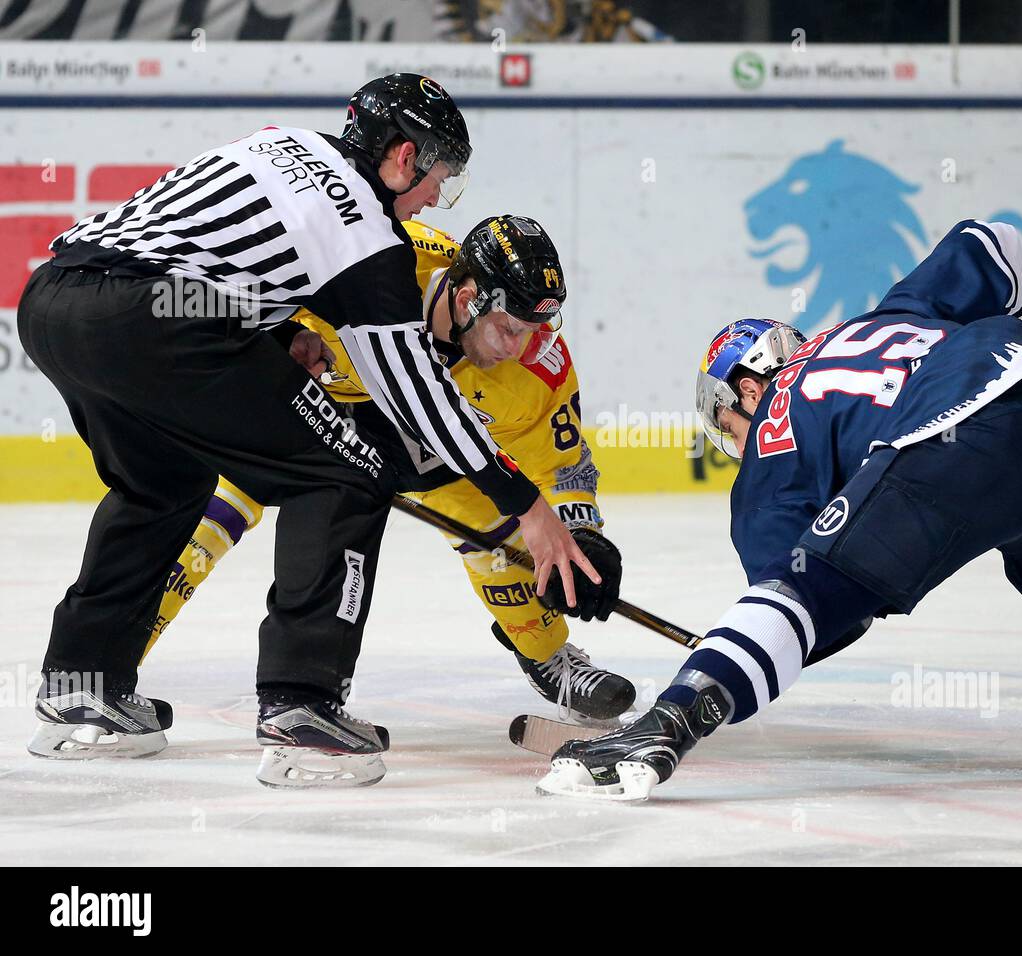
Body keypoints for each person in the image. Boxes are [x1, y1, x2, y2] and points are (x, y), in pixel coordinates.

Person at [539, 219, 1022, 801]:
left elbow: (810, 606)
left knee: (807, 588)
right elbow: (993, 239)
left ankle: (662, 730)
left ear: (747, 388)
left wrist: (719, 667)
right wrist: (999, 325)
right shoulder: (894, 311)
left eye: (726, 420)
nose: (736, 438)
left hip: (960, 440)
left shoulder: (773, 437)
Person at [18, 73, 596, 789]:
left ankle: (84, 690)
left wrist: (277, 329)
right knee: (349, 468)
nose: (431, 202)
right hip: (156, 327)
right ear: (403, 156)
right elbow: (413, 389)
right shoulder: (366, 232)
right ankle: (303, 707)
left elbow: (204, 252)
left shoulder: (282, 142)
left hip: (55, 301)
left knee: (162, 482)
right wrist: (528, 508)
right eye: (438, 180)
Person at [144, 213, 633, 722]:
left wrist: (582, 534)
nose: (518, 347)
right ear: (468, 301)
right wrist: (274, 342)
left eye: (531, 331)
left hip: (439, 447)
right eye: (508, 330)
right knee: (213, 514)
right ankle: (112, 662)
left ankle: (544, 652)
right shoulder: (375, 260)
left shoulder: (534, 366)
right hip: (319, 413)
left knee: (503, 536)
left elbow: (565, 465)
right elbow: (237, 294)